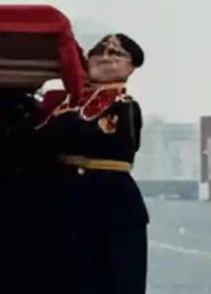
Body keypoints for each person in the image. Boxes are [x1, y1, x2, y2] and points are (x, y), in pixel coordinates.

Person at [36, 33, 148, 294]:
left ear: (131, 68)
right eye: (100, 52)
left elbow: (86, 133)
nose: (106, 58)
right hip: (69, 204)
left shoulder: (124, 106)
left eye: (117, 54)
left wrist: (59, 121)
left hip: (113, 208)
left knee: (118, 282)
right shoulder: (66, 102)